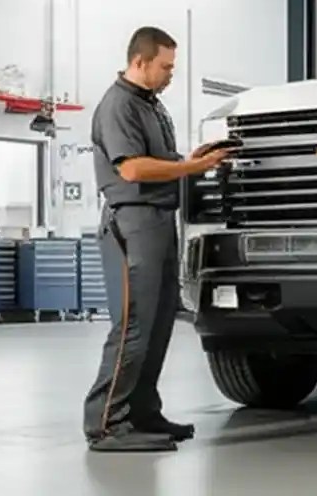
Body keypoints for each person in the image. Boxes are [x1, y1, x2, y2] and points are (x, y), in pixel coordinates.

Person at [82, 26, 230, 452]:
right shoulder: (119, 105)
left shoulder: (152, 105)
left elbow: (160, 162)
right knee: (133, 325)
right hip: (133, 223)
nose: (169, 74)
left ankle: (142, 412)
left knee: (161, 321)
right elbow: (131, 170)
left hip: (162, 221)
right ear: (140, 61)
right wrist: (190, 170)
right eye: (165, 67)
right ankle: (106, 423)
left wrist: (189, 161)